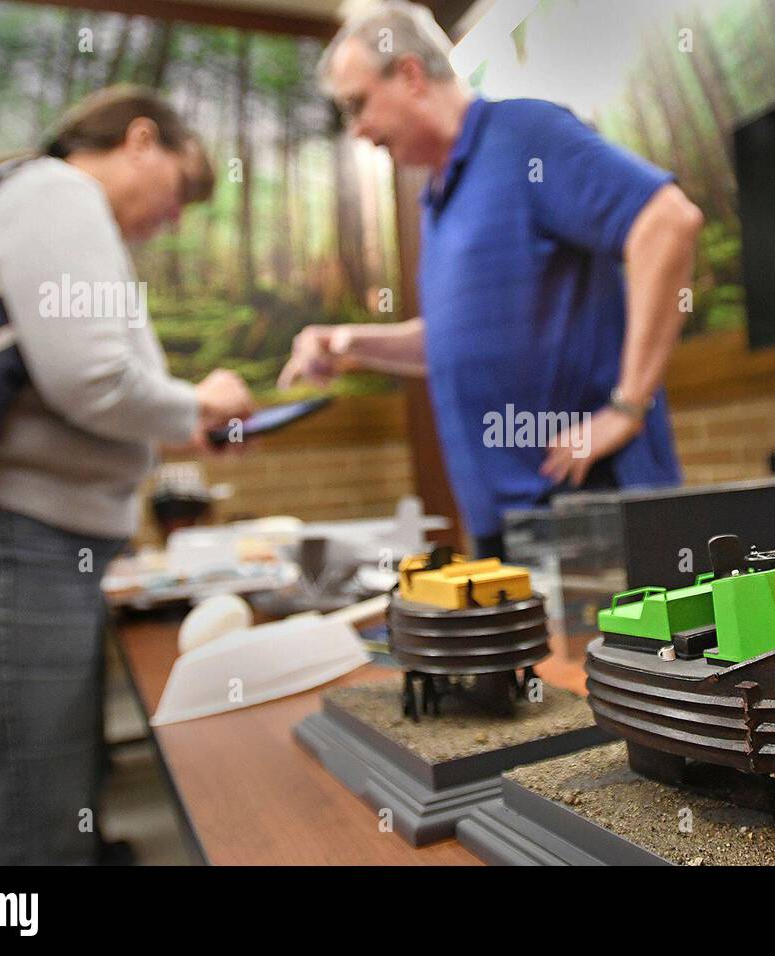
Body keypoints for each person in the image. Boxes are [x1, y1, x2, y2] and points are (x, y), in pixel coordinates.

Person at [0, 86, 254, 864]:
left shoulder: (33, 201)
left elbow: (70, 400)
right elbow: (91, 379)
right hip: (5, 548)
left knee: (6, 801)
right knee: (27, 827)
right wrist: (203, 397)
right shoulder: (59, 192)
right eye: (184, 188)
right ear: (141, 140)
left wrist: (182, 425)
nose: (176, 216)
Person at [280, 1, 703, 559]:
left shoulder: (525, 135)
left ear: (408, 74)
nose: (357, 130)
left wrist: (626, 407)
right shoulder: (436, 198)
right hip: (503, 528)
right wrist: (348, 343)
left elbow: (667, 221)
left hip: (591, 510)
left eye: (357, 105)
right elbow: (453, 343)